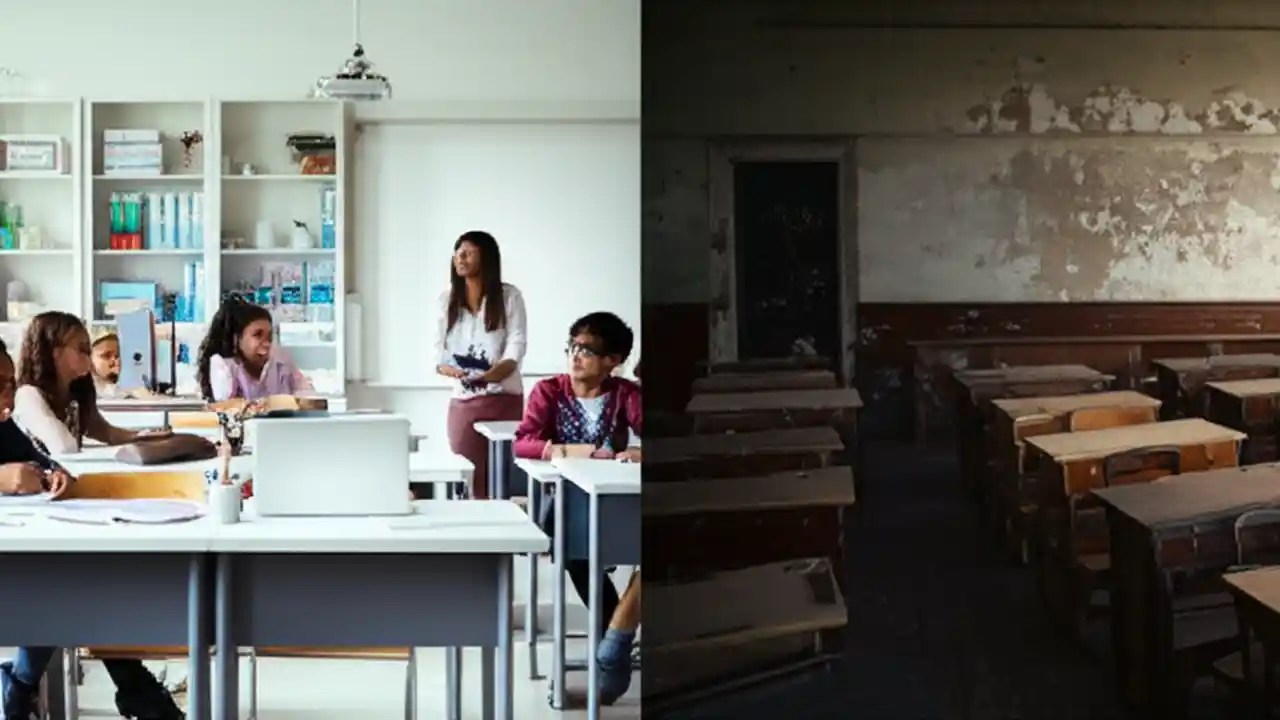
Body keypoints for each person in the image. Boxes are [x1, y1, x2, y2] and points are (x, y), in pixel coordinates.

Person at [0, 336, 183, 720]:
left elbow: (48, 460)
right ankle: (134, 688)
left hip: (20, 556)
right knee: (67, 586)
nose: (8, 395)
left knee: (71, 582)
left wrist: (53, 476)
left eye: (10, 383)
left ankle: (20, 690)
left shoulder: (2, 425)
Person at [513, 311, 642, 703]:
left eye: (587, 350)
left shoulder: (625, 394)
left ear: (612, 361)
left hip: (615, 495)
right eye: (573, 346)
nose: (575, 356)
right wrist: (570, 451)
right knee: (578, 552)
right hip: (569, 500)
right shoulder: (549, 391)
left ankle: (612, 650)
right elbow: (523, 442)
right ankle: (613, 645)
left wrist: (639, 450)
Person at [435, 230, 527, 499]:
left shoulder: (509, 296)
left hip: (503, 399)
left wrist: (495, 373)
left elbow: (517, 344)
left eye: (468, 252)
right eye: (457, 253)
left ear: (485, 258)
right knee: (467, 477)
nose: (460, 258)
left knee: (500, 478)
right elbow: (436, 352)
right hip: (463, 401)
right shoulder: (446, 298)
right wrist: (447, 368)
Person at [13, 312, 170, 455]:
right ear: (54, 353)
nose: (88, 358)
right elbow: (64, 447)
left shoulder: (75, 391)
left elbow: (106, 432)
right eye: (82, 349)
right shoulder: (28, 396)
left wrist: (143, 436)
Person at [195, 297, 312, 402]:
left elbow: (308, 396)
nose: (266, 343)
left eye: (269, 337)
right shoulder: (227, 368)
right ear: (237, 339)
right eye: (258, 335)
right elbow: (226, 405)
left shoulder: (282, 366)